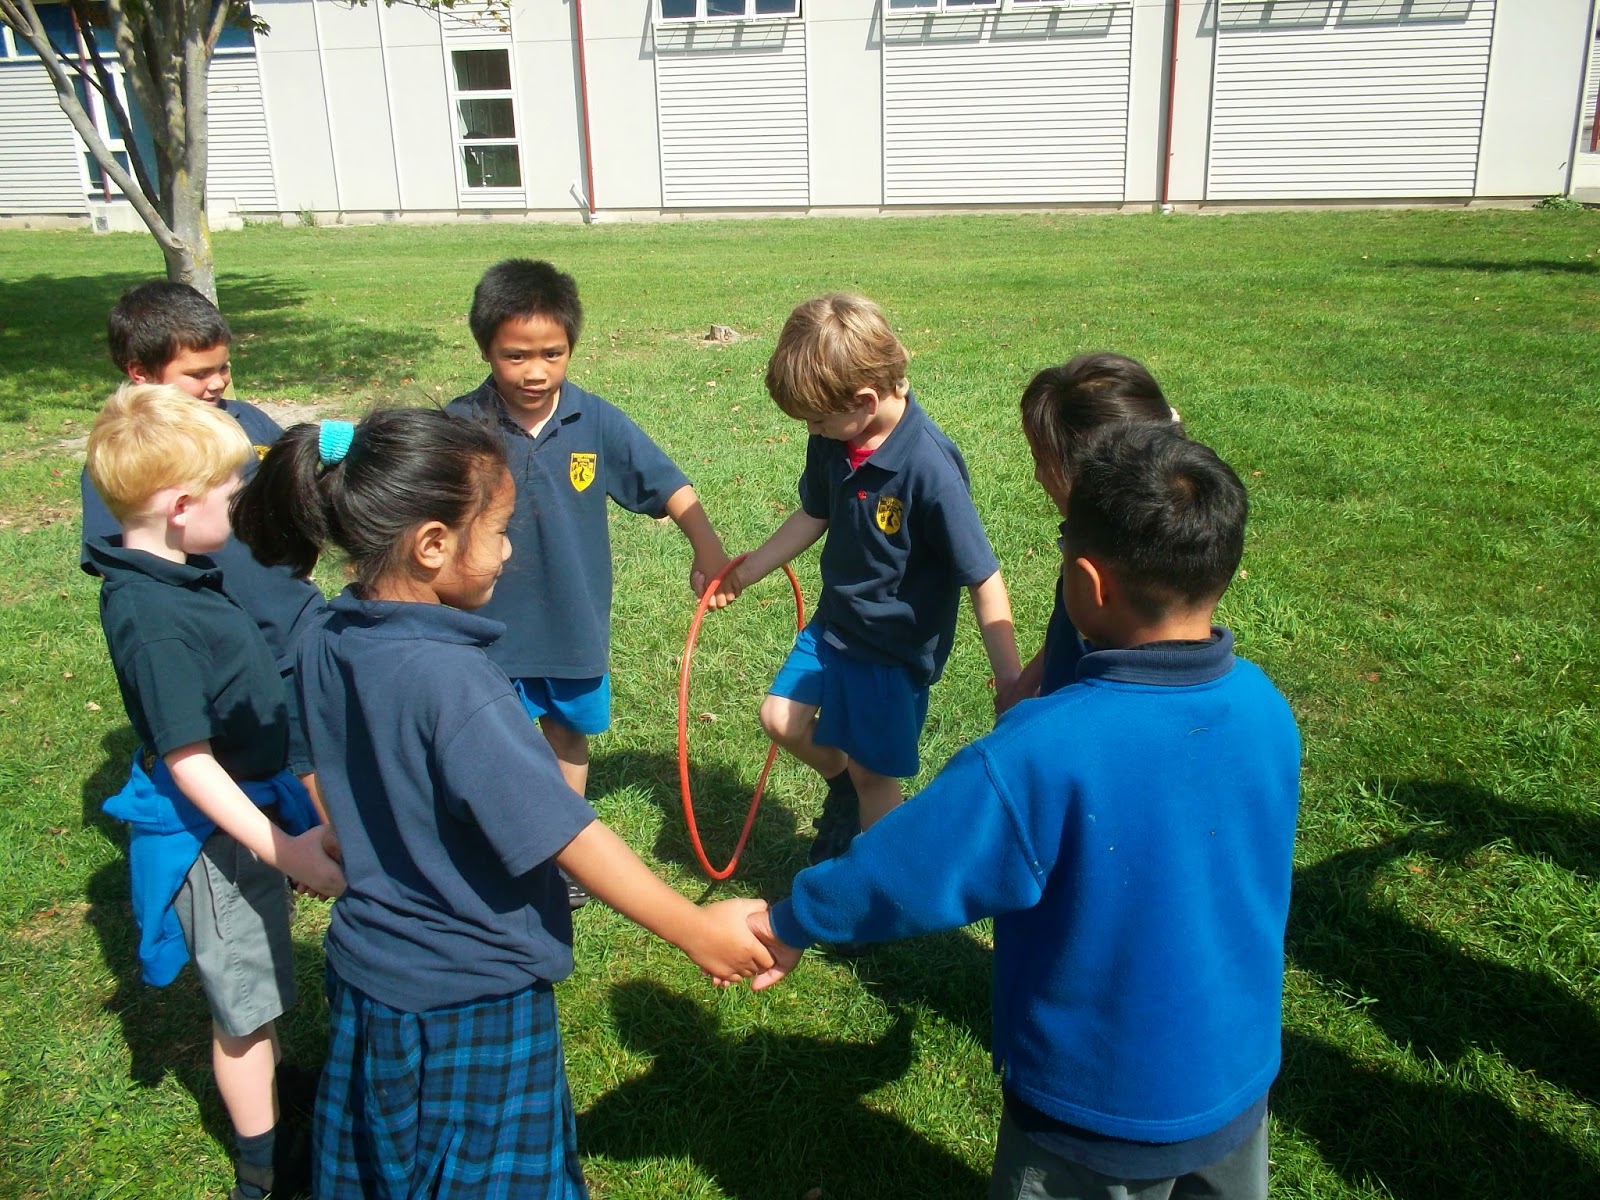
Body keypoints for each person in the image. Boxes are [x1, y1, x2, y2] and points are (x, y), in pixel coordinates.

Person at [749, 422, 1302, 1200]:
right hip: (1236, 1078)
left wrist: (791, 921)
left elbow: (910, 865)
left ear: (1087, 582)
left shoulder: (1041, 750)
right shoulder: (1266, 708)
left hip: (1094, 1103)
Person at [232, 407, 773, 1200]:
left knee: (392, 1169)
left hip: (366, 975)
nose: (509, 550)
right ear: (431, 545)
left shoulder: (326, 636)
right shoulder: (456, 686)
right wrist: (697, 929)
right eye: (499, 531)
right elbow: (565, 833)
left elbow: (323, 775)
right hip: (471, 996)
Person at [85, 384, 345, 1200]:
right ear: (180, 505)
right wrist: (285, 845)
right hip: (212, 835)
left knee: (261, 977)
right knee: (243, 1008)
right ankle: (262, 1171)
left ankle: (271, 1095)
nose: (240, 502)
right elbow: (190, 762)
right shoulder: (153, 618)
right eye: (232, 490)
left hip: (249, 810)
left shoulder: (179, 571)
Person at [446, 260, 733, 904]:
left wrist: (708, 551)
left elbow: (670, 487)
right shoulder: (459, 425)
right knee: (496, 743)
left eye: (553, 353)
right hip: (487, 631)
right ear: (486, 350)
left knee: (567, 736)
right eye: (515, 356)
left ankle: (567, 851)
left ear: (572, 347)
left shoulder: (594, 421)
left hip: (574, 626)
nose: (536, 371)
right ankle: (505, 847)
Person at [726, 293, 1020, 863]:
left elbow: (983, 578)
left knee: (874, 778)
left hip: (890, 651)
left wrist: (1009, 680)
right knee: (779, 718)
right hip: (835, 625)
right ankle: (844, 790)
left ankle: (884, 886)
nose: (811, 430)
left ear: (863, 400)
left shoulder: (929, 468)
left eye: (817, 419)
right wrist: (750, 570)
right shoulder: (833, 441)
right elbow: (816, 513)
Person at [80, 281, 327, 781]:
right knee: (285, 771)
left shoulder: (246, 422)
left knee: (326, 747)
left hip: (301, 624)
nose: (217, 383)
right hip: (237, 649)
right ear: (142, 375)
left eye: (223, 367)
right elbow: (130, 565)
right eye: (198, 373)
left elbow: (294, 486)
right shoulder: (130, 464)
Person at [995, 353, 1180, 713]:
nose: (1037, 477)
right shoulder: (1092, 534)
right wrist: (1027, 684)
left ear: (1091, 475)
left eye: (1041, 461)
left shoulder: (1124, 583)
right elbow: (1066, 624)